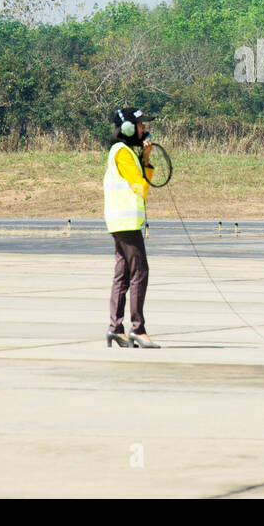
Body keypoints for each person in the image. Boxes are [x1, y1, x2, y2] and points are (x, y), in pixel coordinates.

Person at [104, 106, 160, 349]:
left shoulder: (124, 151)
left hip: (121, 222)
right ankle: (138, 328)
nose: (144, 129)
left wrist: (144, 158)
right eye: (140, 125)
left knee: (123, 274)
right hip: (125, 223)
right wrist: (145, 159)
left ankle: (116, 329)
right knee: (140, 272)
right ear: (128, 128)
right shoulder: (123, 153)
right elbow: (141, 188)